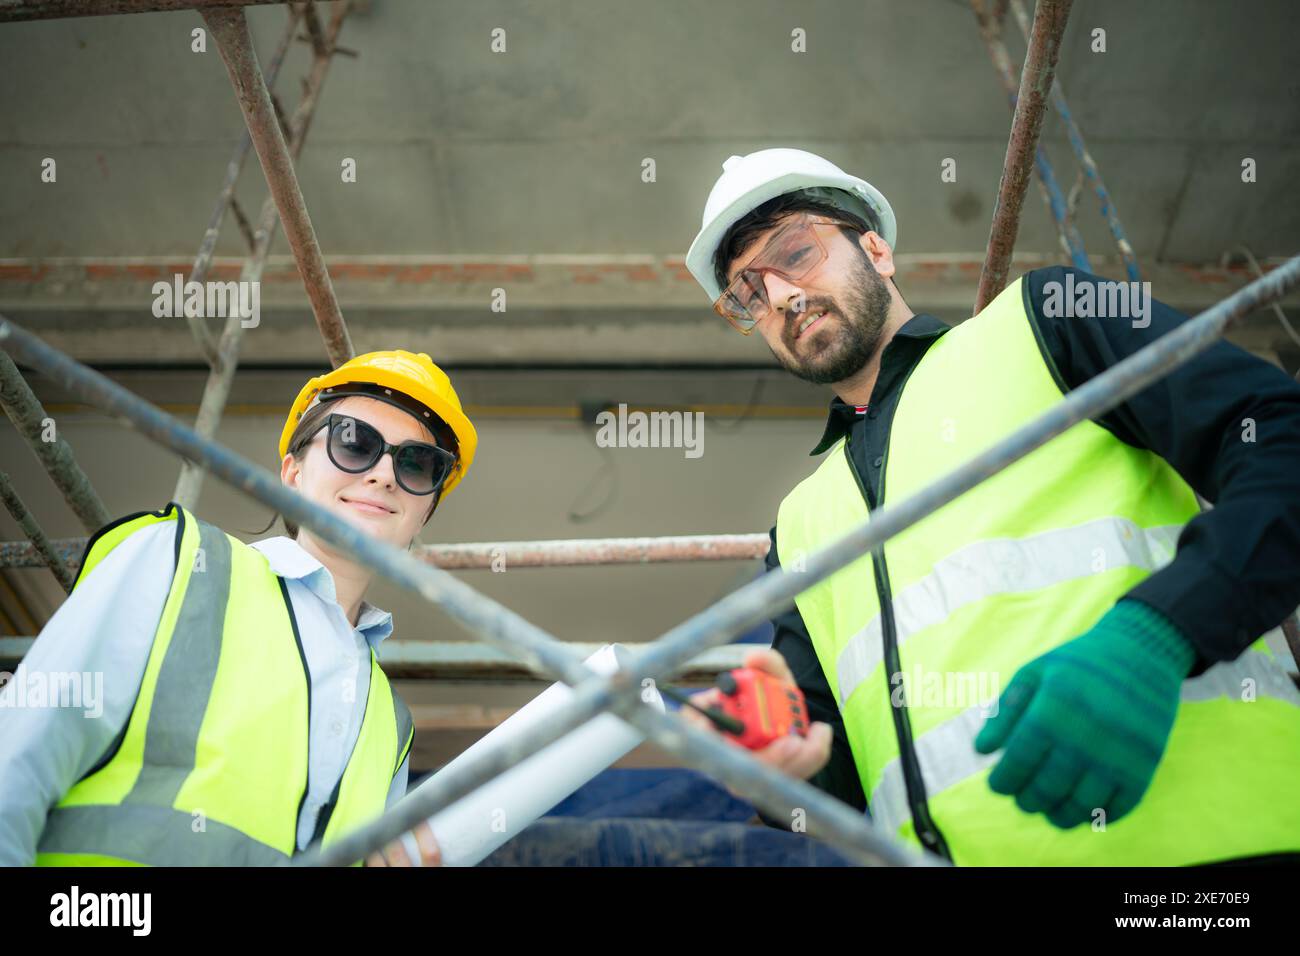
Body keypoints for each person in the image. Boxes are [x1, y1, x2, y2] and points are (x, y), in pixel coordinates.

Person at [680, 147, 1300, 865]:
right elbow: (840, 767)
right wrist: (777, 773)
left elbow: (1281, 439)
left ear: (876, 249)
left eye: (796, 253)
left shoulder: (1043, 324)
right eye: (749, 293)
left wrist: (1157, 637)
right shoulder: (799, 528)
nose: (782, 297)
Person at [0, 349, 475, 867]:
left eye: (416, 463)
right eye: (354, 443)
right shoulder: (176, 562)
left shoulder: (392, 724)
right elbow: (16, 765)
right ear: (292, 472)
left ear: (424, 513)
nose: (384, 474)